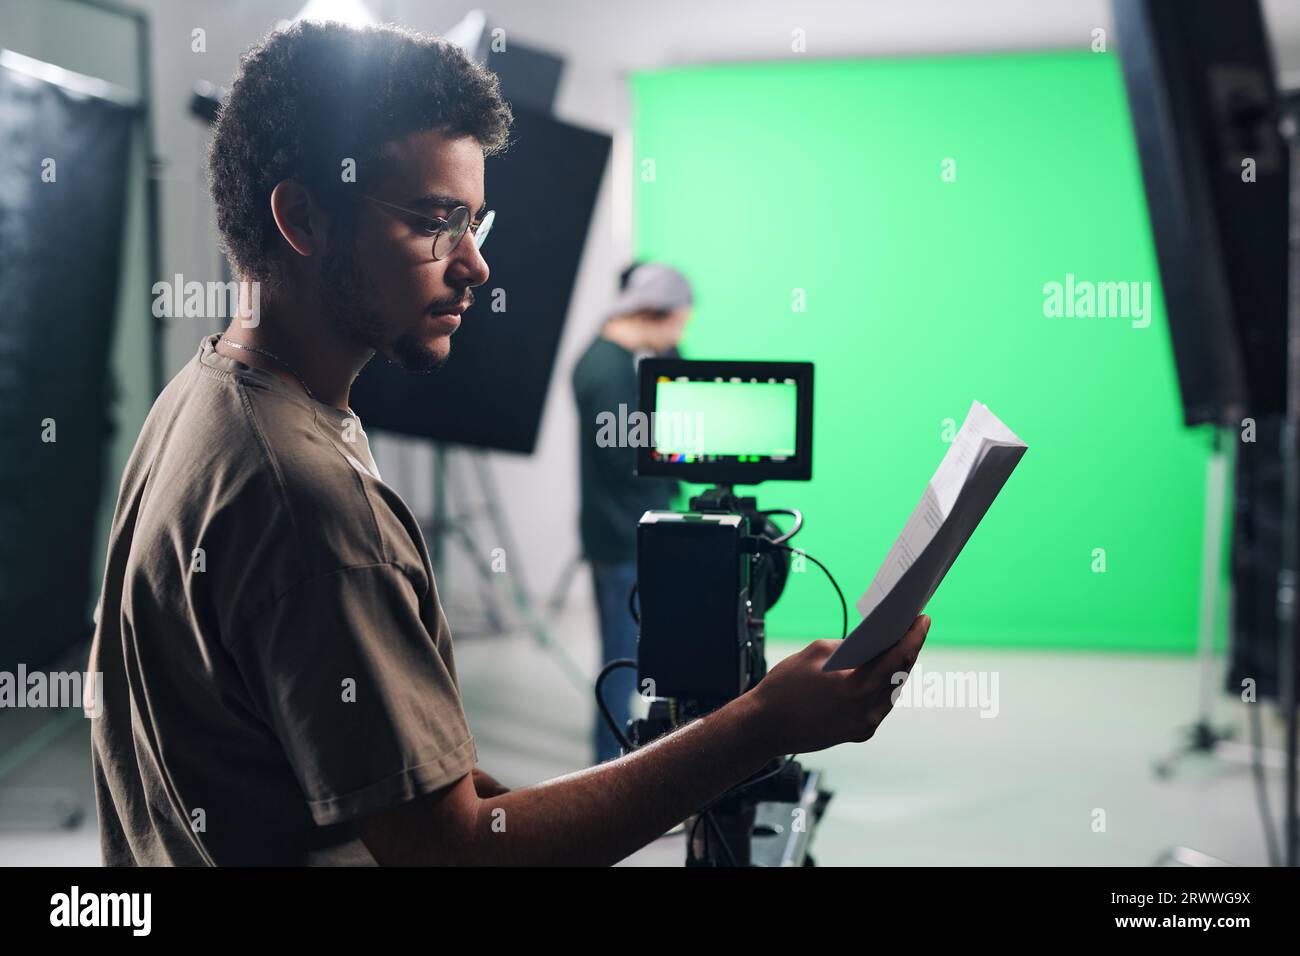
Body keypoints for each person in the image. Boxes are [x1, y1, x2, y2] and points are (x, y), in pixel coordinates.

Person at [86, 20, 931, 866]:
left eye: (475, 226)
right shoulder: (310, 501)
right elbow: (457, 857)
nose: (475, 267)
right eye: (435, 222)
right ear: (302, 216)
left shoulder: (194, 405)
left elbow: (404, 802)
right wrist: (761, 726)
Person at [573, 262, 692, 763]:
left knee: (631, 663)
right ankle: (606, 777)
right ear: (654, 313)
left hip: (622, 537)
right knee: (621, 668)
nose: (681, 333)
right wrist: (682, 452)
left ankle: (619, 770)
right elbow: (626, 460)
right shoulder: (608, 371)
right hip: (623, 543)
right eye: (679, 322)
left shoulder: (616, 360)